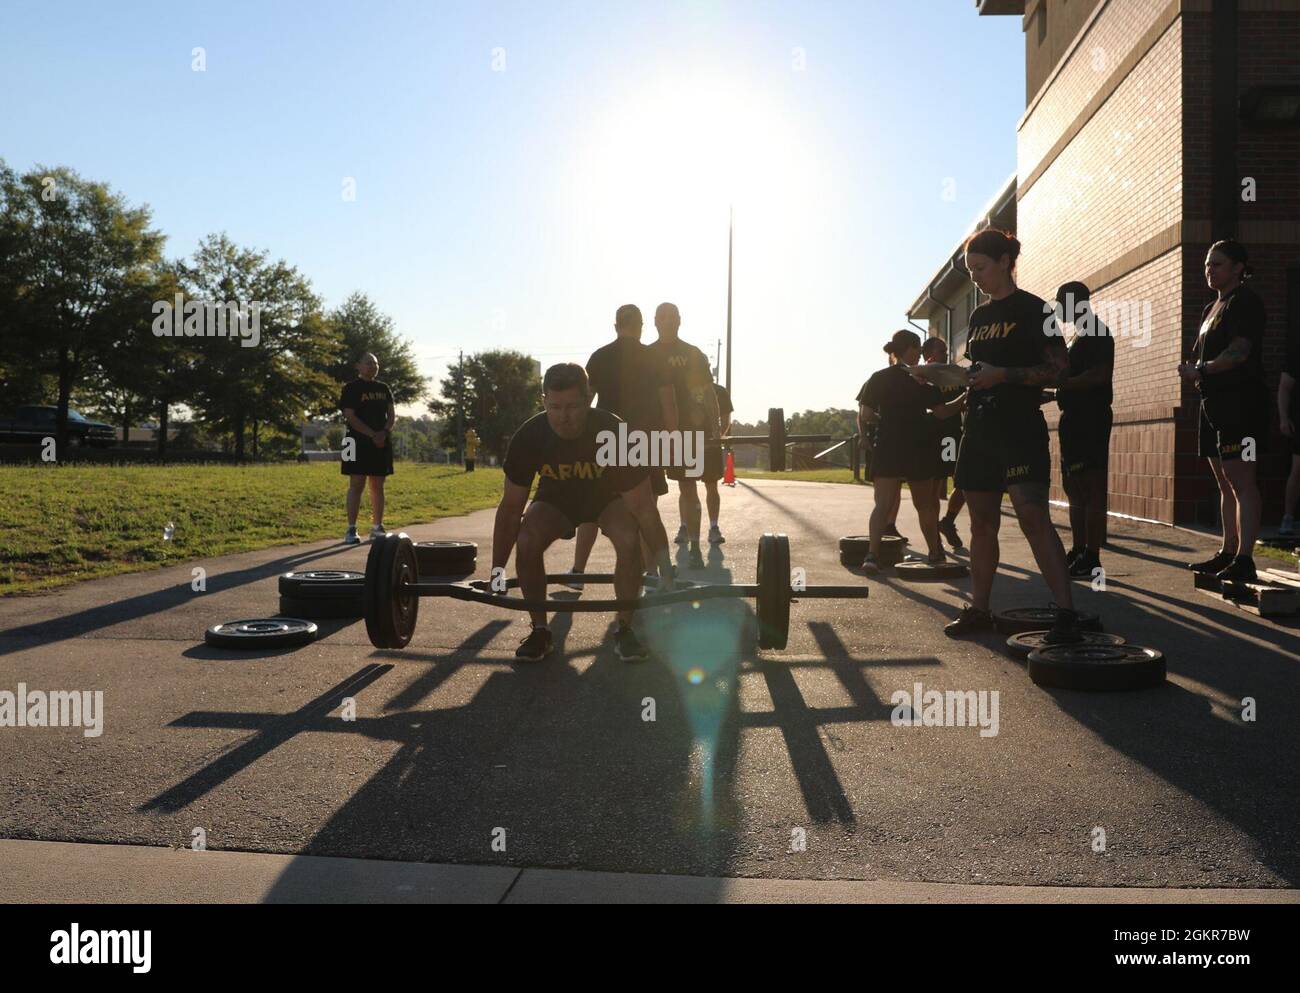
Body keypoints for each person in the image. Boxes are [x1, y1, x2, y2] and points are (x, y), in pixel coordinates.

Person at [943, 229, 1085, 643]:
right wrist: (946, 381)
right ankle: (979, 609)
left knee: (1032, 517)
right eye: (970, 271)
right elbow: (977, 373)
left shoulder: (1034, 310)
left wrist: (1002, 375)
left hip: (1019, 427)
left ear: (1005, 261)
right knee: (981, 524)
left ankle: (1067, 613)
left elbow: (1059, 371)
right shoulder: (978, 317)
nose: (975, 278)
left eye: (980, 268)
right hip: (979, 429)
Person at [493, 363, 674, 663]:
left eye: (573, 407)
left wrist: (666, 569)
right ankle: (540, 631)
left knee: (628, 536)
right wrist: (497, 572)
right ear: (544, 401)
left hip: (606, 498)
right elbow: (511, 510)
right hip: (556, 499)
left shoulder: (615, 432)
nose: (564, 417)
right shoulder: (530, 436)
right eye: (555, 407)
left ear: (589, 399)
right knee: (527, 539)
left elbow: (644, 510)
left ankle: (625, 629)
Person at [1179, 240, 1268, 581]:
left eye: (1217, 264)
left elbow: (1239, 352)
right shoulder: (1210, 308)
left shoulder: (1244, 302)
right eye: (1207, 264)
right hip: (1212, 404)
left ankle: (1245, 559)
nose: (1209, 270)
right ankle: (1228, 551)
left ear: (1238, 268)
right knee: (1224, 482)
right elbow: (1204, 357)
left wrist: (1201, 370)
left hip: (1242, 405)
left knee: (1242, 479)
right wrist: (1194, 370)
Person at [571, 304, 678, 577]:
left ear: (616, 326)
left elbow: (584, 402)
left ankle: (578, 571)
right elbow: (668, 402)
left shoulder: (599, 357)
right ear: (641, 326)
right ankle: (651, 573)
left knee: (592, 507)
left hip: (607, 438)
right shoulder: (655, 358)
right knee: (647, 508)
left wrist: (578, 440)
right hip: (646, 439)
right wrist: (672, 438)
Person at [856, 329, 962, 573]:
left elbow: (866, 414)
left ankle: (871, 556)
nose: (919, 354)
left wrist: (888, 422)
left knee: (882, 505)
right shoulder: (923, 380)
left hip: (888, 446)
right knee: (925, 506)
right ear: (912, 349)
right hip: (918, 446)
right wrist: (965, 398)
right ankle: (935, 553)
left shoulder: (878, 377)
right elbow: (943, 413)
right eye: (918, 349)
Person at [649, 302, 721, 570]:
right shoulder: (646, 354)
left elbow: (709, 393)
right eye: (663, 317)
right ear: (655, 321)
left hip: (689, 430)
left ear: (680, 321)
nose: (668, 321)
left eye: (673, 317)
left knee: (689, 487)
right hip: (654, 431)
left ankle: (694, 548)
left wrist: (715, 428)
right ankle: (649, 557)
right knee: (648, 492)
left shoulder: (693, 354)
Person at [1052, 282, 1115, 579]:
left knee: (1091, 487)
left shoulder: (1097, 332)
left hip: (1091, 419)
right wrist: (1053, 392)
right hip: (1073, 419)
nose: (1057, 309)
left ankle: (1092, 555)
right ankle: (1078, 550)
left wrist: (1064, 384)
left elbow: (1099, 375)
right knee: (1073, 487)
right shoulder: (1078, 335)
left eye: (1060, 303)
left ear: (1077, 302)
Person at [340, 352, 395, 544]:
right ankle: (351, 529)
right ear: (358, 366)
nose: (373, 366)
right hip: (354, 442)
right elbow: (350, 416)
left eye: (375, 363)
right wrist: (372, 434)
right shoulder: (351, 388)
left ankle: (377, 527)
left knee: (377, 485)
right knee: (356, 484)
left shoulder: (383, 388)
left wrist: (384, 433)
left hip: (381, 441)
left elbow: (391, 415)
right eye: (368, 363)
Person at [920, 336, 967, 550]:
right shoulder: (922, 376)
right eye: (942, 351)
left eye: (946, 351)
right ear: (929, 355)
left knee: (965, 482)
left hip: (955, 433)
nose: (946, 354)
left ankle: (948, 521)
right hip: (934, 436)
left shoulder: (953, 374)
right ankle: (935, 542)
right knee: (935, 488)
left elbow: (964, 401)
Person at [704, 381, 733, 542]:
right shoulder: (684, 386)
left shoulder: (720, 392)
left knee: (711, 486)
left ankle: (713, 527)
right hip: (690, 441)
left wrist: (717, 438)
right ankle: (685, 527)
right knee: (687, 488)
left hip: (711, 444)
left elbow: (726, 419)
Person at [1279, 339, 1300, 538]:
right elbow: (1284, 387)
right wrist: (1284, 418)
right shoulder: (1296, 353)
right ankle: (1288, 517)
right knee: (1297, 469)